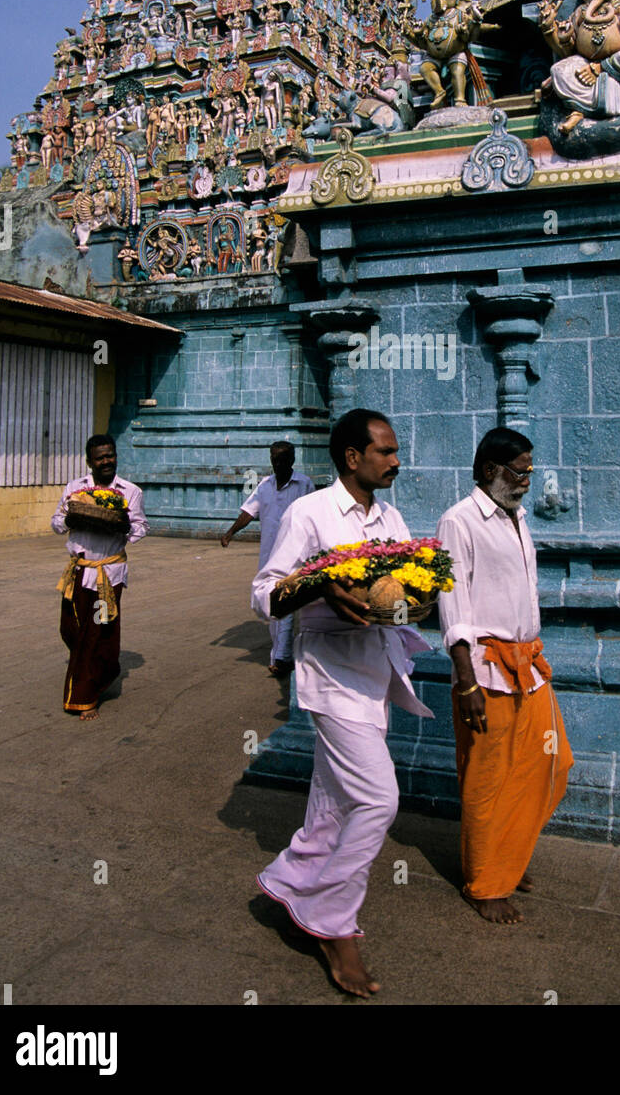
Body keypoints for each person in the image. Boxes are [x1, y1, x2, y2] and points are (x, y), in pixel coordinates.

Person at [251, 409, 433, 997]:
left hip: (377, 671)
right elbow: (265, 594)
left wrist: (420, 602)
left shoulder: (391, 517)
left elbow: (404, 588)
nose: (396, 461)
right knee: (379, 798)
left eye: (396, 451)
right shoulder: (310, 513)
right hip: (330, 676)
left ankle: (290, 883)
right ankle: (333, 923)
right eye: (386, 451)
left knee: (333, 802)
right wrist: (322, 583)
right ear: (352, 457)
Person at [436, 427, 573, 924]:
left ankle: (508, 858)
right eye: (520, 471)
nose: (527, 481)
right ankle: (484, 882)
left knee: (551, 764)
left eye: (530, 471)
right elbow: (453, 603)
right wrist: (465, 680)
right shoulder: (459, 521)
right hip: (486, 672)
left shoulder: (517, 518)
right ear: (490, 470)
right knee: (486, 778)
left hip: (529, 668)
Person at [51, 435, 147, 720]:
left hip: (109, 576)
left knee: (94, 633)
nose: (106, 461)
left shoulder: (130, 491)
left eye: (110, 455)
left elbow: (141, 529)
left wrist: (123, 524)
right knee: (70, 628)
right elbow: (56, 523)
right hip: (78, 572)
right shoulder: (74, 488)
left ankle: (83, 697)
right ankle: (106, 669)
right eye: (100, 457)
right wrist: (71, 518)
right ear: (89, 461)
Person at [220, 442, 315, 675]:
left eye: (283, 459)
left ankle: (282, 657)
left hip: (297, 554)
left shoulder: (304, 484)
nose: (278, 463)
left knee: (289, 601)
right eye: (274, 458)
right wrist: (231, 532)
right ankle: (281, 654)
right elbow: (248, 512)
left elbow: (315, 515)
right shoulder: (264, 486)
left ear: (292, 460)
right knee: (274, 603)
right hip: (270, 556)